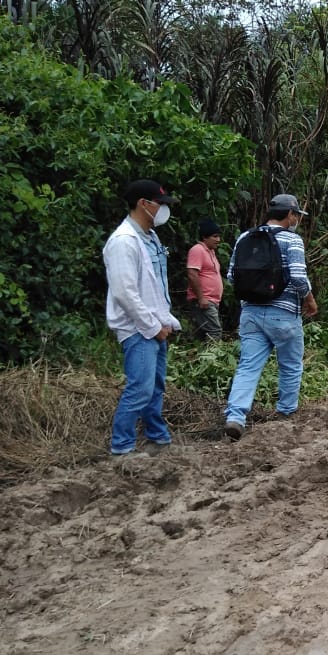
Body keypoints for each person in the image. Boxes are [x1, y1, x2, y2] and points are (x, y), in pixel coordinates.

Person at [223, 193, 318, 440]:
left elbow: (232, 276)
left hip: (251, 314)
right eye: (297, 215)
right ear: (290, 214)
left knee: (248, 366)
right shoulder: (292, 240)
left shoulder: (245, 237)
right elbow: (298, 277)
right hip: (283, 314)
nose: (297, 219)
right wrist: (309, 299)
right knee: (290, 364)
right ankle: (285, 413)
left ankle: (235, 417)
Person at [103, 178, 183, 456]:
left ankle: (158, 439)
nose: (163, 209)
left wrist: (164, 321)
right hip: (138, 329)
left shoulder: (149, 237)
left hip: (156, 325)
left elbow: (154, 284)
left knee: (154, 388)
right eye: (159, 204)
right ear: (143, 204)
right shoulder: (123, 242)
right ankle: (122, 448)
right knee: (139, 389)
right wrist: (151, 326)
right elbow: (125, 293)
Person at [186, 218, 224, 341]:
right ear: (204, 237)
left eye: (219, 236)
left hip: (211, 301)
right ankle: (211, 359)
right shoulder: (198, 250)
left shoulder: (210, 252)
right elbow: (192, 274)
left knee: (203, 333)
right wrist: (201, 297)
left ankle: (201, 358)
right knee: (214, 331)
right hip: (204, 300)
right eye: (215, 236)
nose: (218, 240)